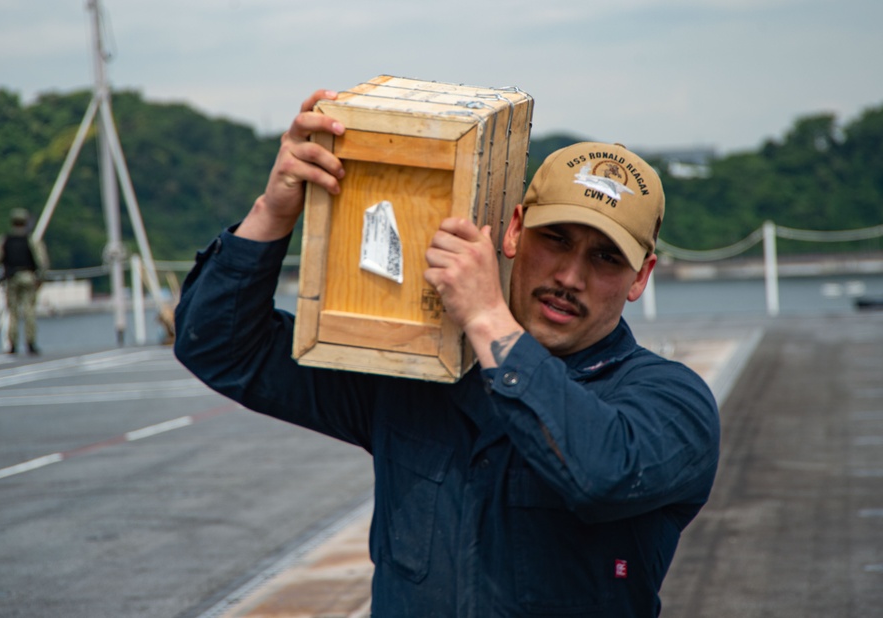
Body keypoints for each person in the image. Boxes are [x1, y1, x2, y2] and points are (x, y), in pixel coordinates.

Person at [174, 90, 721, 616]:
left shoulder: (672, 403)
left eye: (605, 257)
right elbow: (221, 348)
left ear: (640, 277)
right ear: (514, 231)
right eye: (555, 238)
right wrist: (272, 211)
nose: (570, 276)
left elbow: (598, 473)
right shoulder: (422, 369)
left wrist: (486, 318)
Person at [0, 208, 49, 355]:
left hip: (11, 278)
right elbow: (42, 261)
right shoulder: (31, 240)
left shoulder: (5, 240)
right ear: (26, 222)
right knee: (29, 311)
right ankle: (30, 343)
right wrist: (40, 277)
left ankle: (12, 344)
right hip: (28, 277)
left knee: (13, 312)